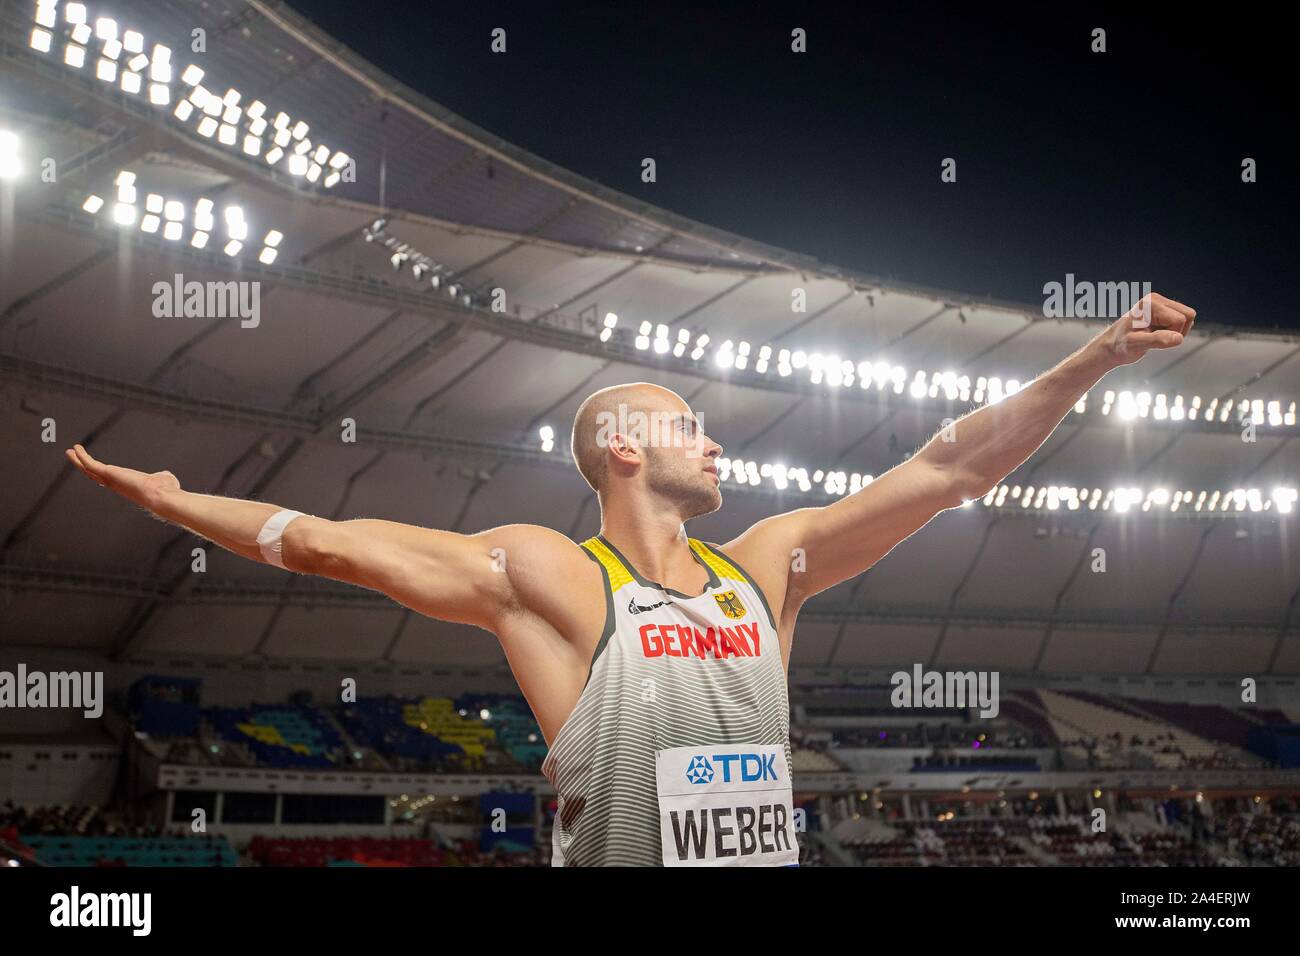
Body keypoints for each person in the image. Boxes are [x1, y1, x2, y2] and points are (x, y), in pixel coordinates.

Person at [66, 294, 1195, 866]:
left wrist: (1089, 358)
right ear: (620, 447)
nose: (716, 445)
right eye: (688, 426)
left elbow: (949, 466)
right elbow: (328, 540)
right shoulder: (555, 575)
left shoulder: (766, 566)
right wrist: (175, 499)